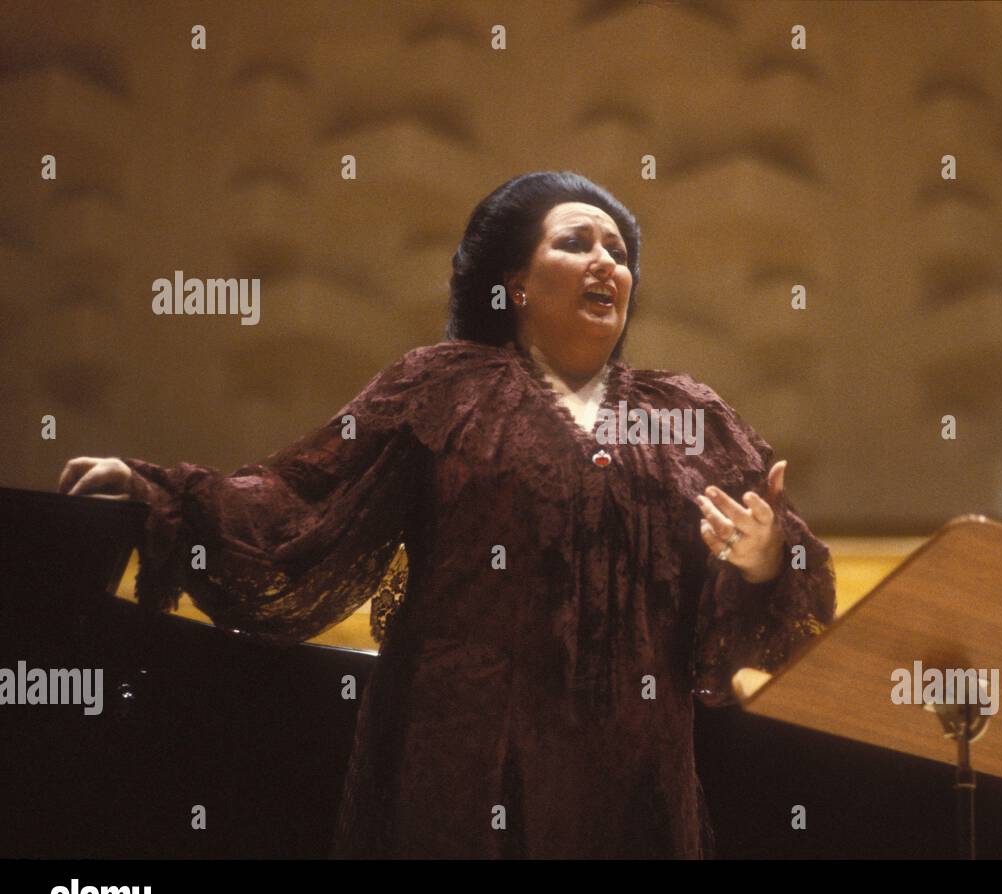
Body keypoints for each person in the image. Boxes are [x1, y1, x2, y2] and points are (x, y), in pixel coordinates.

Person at [58, 170, 837, 858]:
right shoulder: (442, 387)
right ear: (516, 284)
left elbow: (782, 574)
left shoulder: (686, 412)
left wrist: (767, 557)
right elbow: (301, 496)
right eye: (576, 242)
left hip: (631, 766)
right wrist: (156, 490)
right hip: (466, 751)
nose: (607, 261)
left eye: (619, 251)